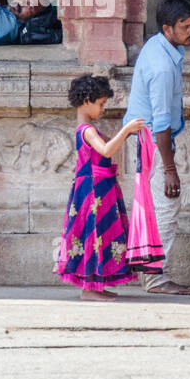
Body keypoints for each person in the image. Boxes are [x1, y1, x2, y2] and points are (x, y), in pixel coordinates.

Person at [124, 0, 190, 296]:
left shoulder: (159, 46)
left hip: (147, 138)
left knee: (152, 207)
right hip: (152, 142)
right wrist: (170, 170)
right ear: (168, 28)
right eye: (185, 26)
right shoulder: (162, 67)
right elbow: (161, 125)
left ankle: (149, 271)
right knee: (166, 206)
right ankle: (156, 277)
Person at [56, 75, 145, 301]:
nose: (103, 109)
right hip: (94, 190)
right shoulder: (87, 130)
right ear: (87, 100)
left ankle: (96, 284)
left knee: (102, 234)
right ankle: (89, 288)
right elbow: (106, 151)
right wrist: (125, 131)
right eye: (101, 103)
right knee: (95, 234)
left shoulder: (87, 128)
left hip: (100, 188)